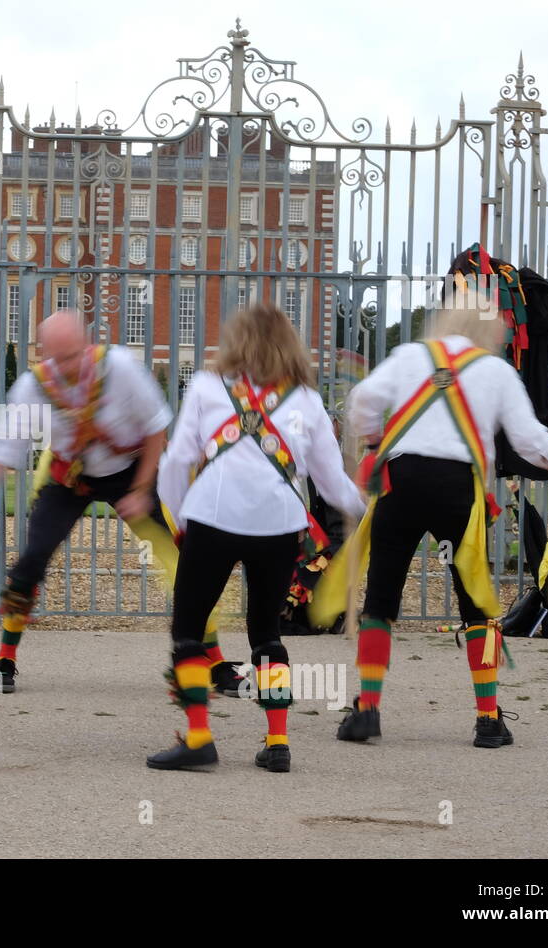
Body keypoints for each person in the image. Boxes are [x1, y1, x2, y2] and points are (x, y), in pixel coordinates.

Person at [312, 300, 548, 749]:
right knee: (475, 599)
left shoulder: (411, 356)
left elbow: (363, 402)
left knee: (382, 594)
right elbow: (527, 438)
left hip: (402, 480)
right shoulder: (495, 372)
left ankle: (367, 710)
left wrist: (374, 438)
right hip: (457, 487)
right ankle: (488, 719)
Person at [0, 311, 244, 696]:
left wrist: (142, 490)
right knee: (31, 560)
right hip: (70, 475)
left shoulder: (121, 368)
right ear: (43, 355)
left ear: (88, 344)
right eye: (58, 359)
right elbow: (2, 452)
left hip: (131, 469)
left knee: (180, 563)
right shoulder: (33, 385)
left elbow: (157, 428)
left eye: (75, 355)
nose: (69, 367)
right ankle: (5, 659)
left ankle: (214, 660)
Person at [146, 304, 366, 773]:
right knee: (265, 630)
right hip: (279, 526)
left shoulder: (207, 386)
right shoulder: (306, 400)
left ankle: (199, 736)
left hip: (213, 518)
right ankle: (278, 741)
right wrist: (370, 506)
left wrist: (183, 521)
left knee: (188, 626)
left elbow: (175, 462)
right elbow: (331, 484)